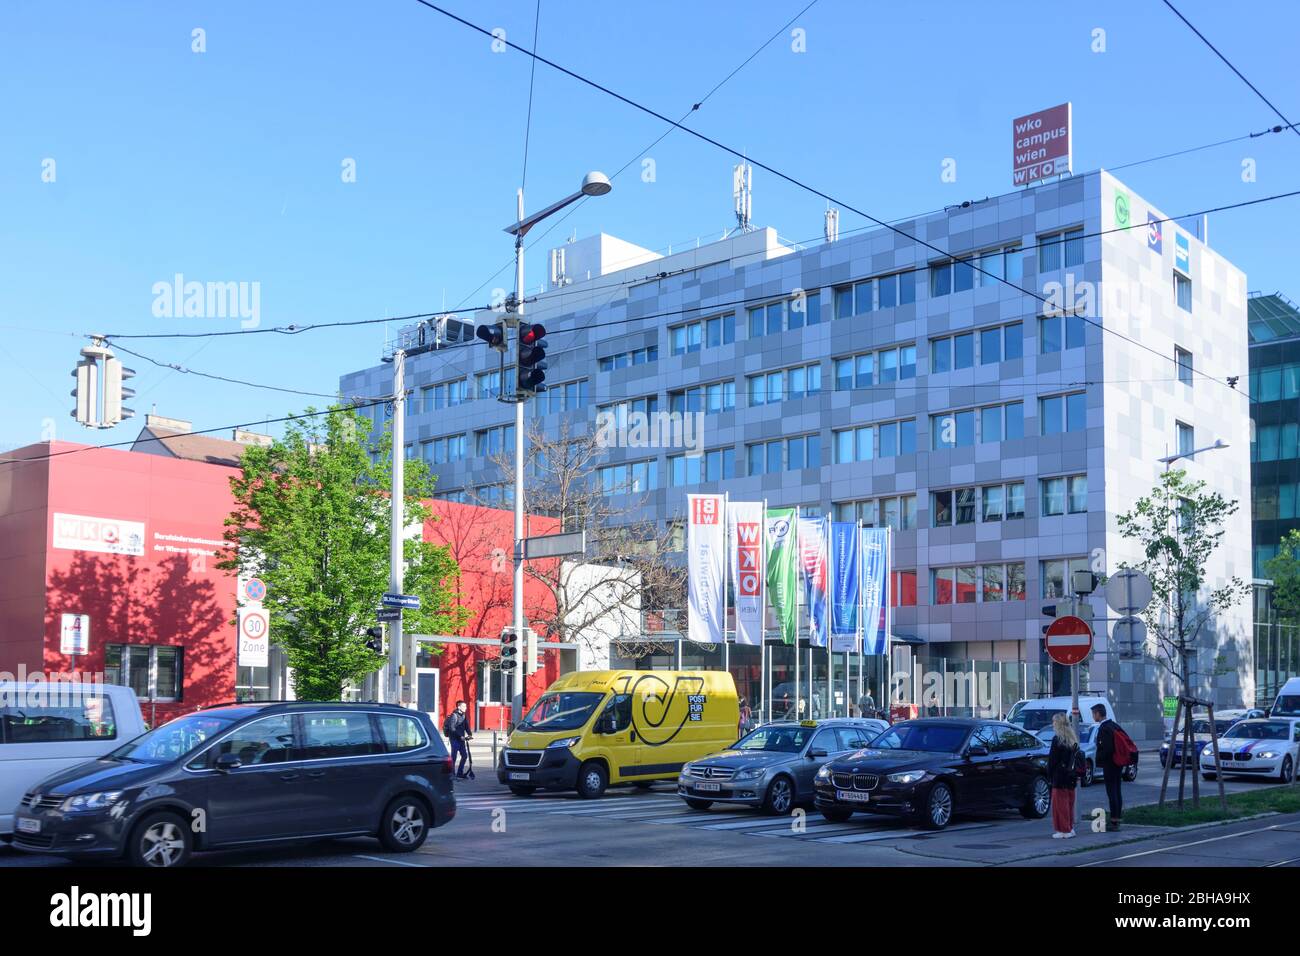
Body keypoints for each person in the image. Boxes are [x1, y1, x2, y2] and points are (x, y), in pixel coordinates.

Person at [1047, 713, 1079, 839]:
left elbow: (1052, 760)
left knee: (1059, 805)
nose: (1052, 724)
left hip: (1059, 777)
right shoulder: (1072, 739)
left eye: (1054, 722)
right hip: (1070, 776)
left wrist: (1049, 775)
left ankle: (1063, 830)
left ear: (1058, 724)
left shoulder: (1058, 740)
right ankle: (1069, 828)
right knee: (1069, 803)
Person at [1093, 703, 1124, 830]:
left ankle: (1114, 822)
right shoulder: (1114, 725)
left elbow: (1107, 748)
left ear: (1098, 714)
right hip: (1118, 763)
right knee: (1117, 791)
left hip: (1110, 764)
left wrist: (1099, 757)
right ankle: (1117, 819)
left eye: (1093, 714)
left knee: (1112, 793)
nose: (1093, 716)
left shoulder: (1104, 728)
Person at [443, 700, 472, 779]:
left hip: (461, 739)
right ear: (459, 707)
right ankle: (452, 774)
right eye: (464, 706)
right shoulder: (454, 716)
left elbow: (466, 726)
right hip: (454, 739)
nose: (466, 708)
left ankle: (460, 773)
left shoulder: (464, 715)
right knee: (454, 757)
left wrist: (470, 734)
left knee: (464, 756)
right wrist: (460, 736)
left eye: (466, 706)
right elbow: (452, 728)